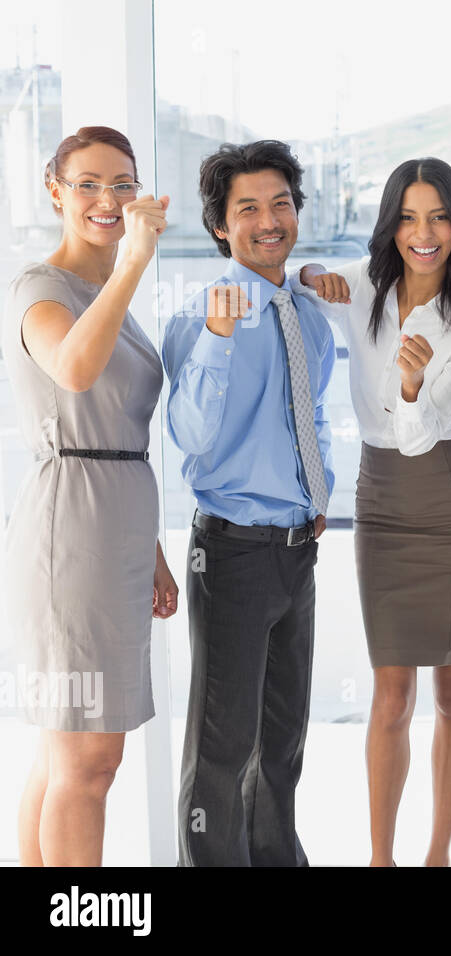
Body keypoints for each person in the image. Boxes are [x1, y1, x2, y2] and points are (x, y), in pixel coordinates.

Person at [294, 158, 451, 867]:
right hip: (381, 496)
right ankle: (381, 859)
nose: (425, 233)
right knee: (390, 696)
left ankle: (438, 853)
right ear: (391, 225)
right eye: (410, 217)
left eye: (439, 216)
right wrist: (309, 275)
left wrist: (413, 384)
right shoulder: (364, 283)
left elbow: (422, 430)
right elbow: (299, 273)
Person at [8, 126, 178, 867]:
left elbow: (120, 436)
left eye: (122, 185)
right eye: (88, 184)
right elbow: (75, 373)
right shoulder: (42, 289)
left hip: (114, 530)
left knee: (64, 753)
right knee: (87, 762)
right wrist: (133, 267)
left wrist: (153, 552)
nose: (108, 201)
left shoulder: (113, 294)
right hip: (68, 537)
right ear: (56, 193)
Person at [163, 140, 335, 867]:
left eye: (281, 204)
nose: (269, 221)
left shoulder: (307, 311)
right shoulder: (203, 317)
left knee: (283, 745)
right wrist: (220, 340)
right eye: (248, 209)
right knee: (221, 751)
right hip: (232, 552)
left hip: (299, 551)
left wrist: (318, 491)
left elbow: (313, 413)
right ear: (220, 228)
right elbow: (191, 440)